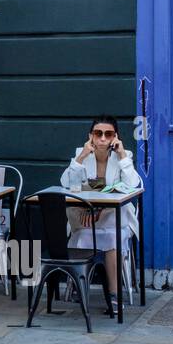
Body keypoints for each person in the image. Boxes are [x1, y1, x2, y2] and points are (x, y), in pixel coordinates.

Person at [60, 114, 143, 317]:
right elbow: (65, 183)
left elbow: (133, 185)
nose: (103, 139)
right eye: (98, 133)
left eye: (108, 134)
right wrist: (80, 159)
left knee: (113, 238)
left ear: (116, 137)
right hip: (86, 218)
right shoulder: (82, 154)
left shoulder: (124, 156)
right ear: (91, 136)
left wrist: (122, 155)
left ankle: (114, 296)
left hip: (114, 217)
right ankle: (79, 287)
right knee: (80, 236)